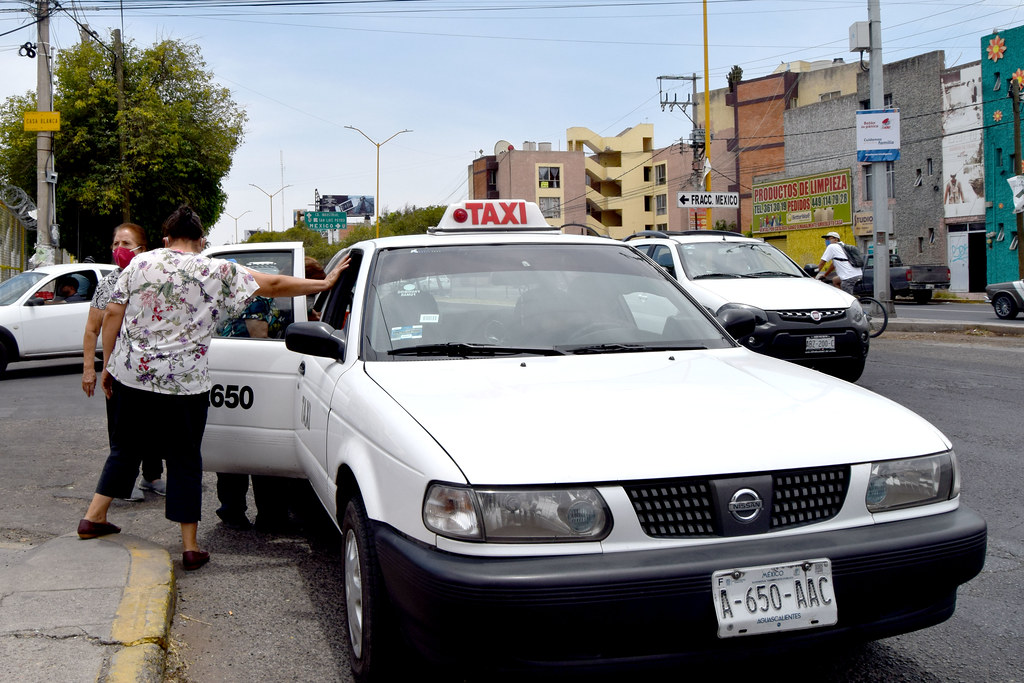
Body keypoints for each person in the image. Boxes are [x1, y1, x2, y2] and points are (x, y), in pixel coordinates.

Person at [76, 205, 349, 571]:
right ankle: (190, 547)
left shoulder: (141, 264)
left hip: (134, 376)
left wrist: (109, 364)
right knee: (185, 460)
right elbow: (275, 284)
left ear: (166, 238)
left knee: (125, 448)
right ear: (201, 239)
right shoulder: (215, 270)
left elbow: (112, 314)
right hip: (185, 385)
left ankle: (93, 517)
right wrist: (325, 283)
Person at [215, 256, 328, 531]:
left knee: (241, 445)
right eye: (312, 291)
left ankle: (255, 512)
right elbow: (259, 337)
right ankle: (254, 513)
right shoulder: (261, 298)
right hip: (247, 374)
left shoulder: (277, 300)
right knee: (256, 447)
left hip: (242, 372)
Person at [82, 223, 165, 502]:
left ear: (143, 248)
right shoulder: (108, 282)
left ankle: (152, 477)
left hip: (149, 366)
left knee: (154, 424)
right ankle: (120, 484)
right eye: (116, 244)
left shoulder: (155, 278)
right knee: (121, 428)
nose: (119, 250)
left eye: (126, 244)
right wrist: (89, 371)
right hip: (116, 368)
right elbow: (92, 329)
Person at [816, 231, 862, 295]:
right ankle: (842, 296)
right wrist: (825, 275)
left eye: (829, 239)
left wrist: (813, 275)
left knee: (848, 298)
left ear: (836, 239)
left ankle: (851, 302)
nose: (826, 241)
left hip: (848, 277)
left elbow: (822, 263)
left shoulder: (832, 246)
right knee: (835, 280)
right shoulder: (842, 246)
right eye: (826, 239)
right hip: (857, 274)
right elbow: (833, 265)